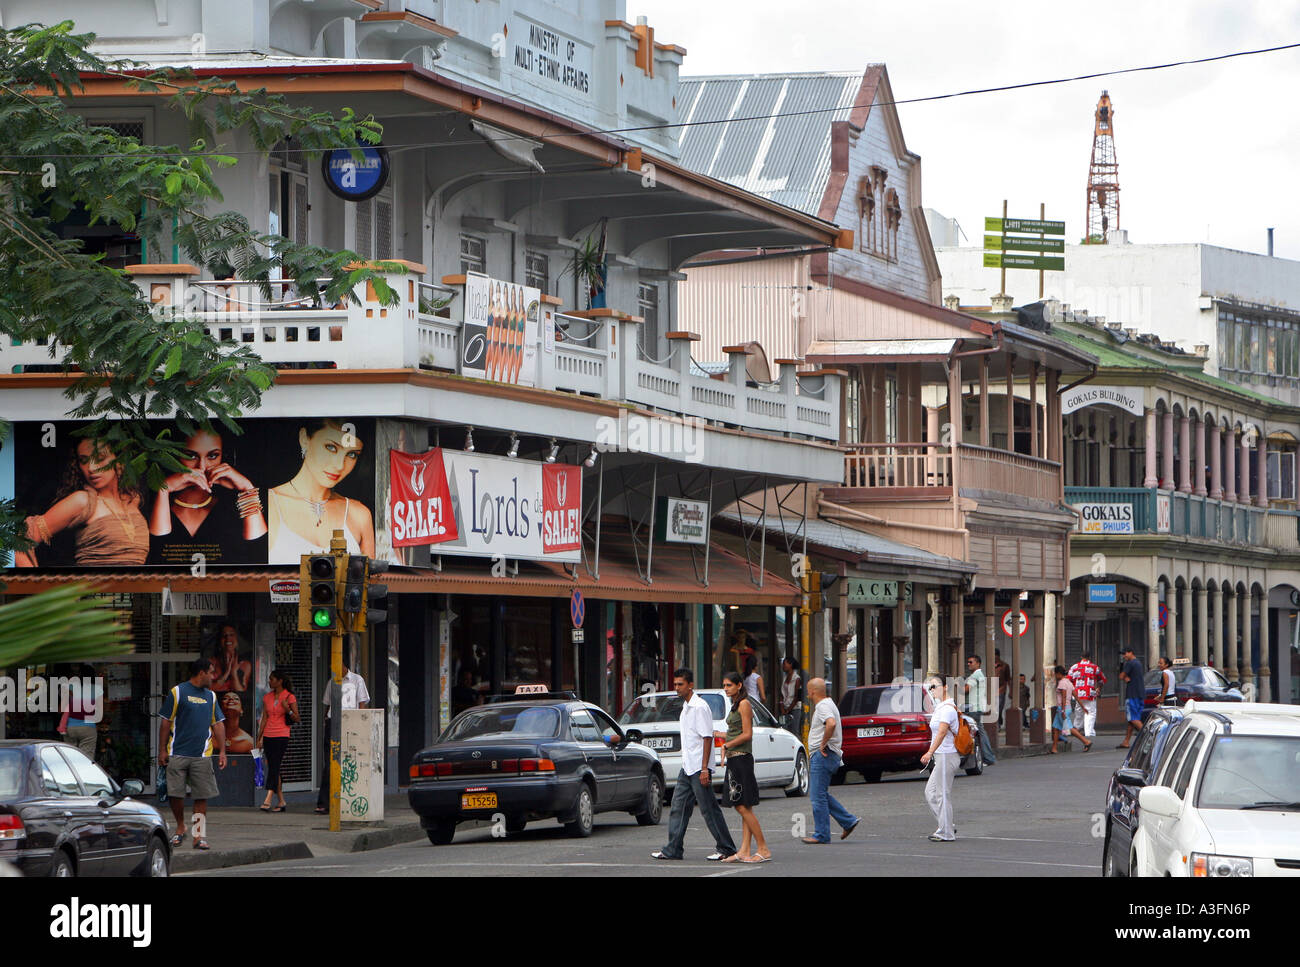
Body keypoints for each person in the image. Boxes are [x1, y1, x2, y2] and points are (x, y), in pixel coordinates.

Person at [15, 437, 148, 566]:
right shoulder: (82, 500)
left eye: (100, 458)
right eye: (84, 460)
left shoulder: (133, 499)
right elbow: (16, 542)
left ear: (118, 459)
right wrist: (35, 585)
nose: (91, 468)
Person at [651, 668, 738, 862]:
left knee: (708, 809)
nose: (677, 688)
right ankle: (673, 849)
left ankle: (727, 848)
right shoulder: (686, 707)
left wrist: (705, 769)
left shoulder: (699, 706)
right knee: (678, 807)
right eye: (675, 685)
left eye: (680, 684)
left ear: (691, 685)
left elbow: (707, 738)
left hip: (699, 767)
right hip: (687, 766)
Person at [148, 427, 267, 565]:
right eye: (191, 456)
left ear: (223, 456)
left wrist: (247, 488)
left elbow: (259, 553)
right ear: (174, 455)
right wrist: (163, 489)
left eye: (212, 456)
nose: (202, 466)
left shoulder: (233, 505)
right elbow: (157, 557)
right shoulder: (149, 501)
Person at [267, 419, 375, 563]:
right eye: (331, 447)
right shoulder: (270, 503)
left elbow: (371, 581)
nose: (339, 465)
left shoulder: (359, 515)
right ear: (304, 438)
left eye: (351, 454)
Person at [158, 657, 227, 851]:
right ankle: (180, 827)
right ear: (201, 673)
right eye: (211, 672)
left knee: (201, 796)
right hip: (177, 752)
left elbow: (218, 724)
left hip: (202, 755)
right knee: (175, 794)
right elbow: (165, 722)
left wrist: (222, 751)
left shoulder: (211, 696)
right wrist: (162, 749)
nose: (213, 677)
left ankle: (199, 836)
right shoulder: (177, 692)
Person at [718, 671, 770, 863]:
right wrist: (720, 735)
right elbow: (736, 732)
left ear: (739, 685)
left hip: (741, 760)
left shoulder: (745, 704)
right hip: (735, 759)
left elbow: (748, 734)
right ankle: (744, 850)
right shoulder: (735, 705)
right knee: (745, 805)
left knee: (740, 805)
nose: (725, 689)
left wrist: (727, 744)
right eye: (724, 685)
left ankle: (763, 848)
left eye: (729, 685)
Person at [801, 677, 860, 844]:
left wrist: (822, 743)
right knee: (820, 794)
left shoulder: (822, 706)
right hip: (828, 754)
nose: (807, 694)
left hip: (824, 754)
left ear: (812, 691)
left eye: (808, 690)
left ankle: (821, 834)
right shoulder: (829, 703)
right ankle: (848, 821)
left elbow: (831, 723)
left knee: (817, 796)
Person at [316, 658, 370, 814]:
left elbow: (362, 702)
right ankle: (324, 802)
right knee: (330, 763)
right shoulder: (331, 682)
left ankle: (348, 800)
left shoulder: (356, 680)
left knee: (350, 761)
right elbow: (327, 703)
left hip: (351, 722)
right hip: (333, 722)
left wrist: (359, 722)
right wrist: (326, 719)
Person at [920, 675, 959, 842]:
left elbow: (942, 732)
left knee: (942, 794)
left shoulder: (948, 708)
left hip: (947, 754)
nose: (932, 690)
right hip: (941, 756)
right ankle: (946, 824)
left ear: (945, 687)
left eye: (935, 686)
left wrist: (929, 752)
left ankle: (946, 832)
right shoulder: (940, 707)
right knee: (930, 792)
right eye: (931, 687)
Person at [255, 668, 298, 812]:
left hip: (282, 734)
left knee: (275, 765)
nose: (269, 681)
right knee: (274, 766)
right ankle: (281, 801)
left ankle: (268, 797)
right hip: (268, 735)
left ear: (280, 681)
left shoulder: (289, 696)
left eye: (272, 679)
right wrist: (259, 738)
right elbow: (264, 719)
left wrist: (288, 709)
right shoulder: (266, 697)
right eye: (269, 679)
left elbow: (296, 718)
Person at [57, 663, 102, 760]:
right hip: (88, 728)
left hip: (70, 727)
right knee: (86, 759)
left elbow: (60, 710)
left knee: (70, 758)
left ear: (79, 674)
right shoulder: (97, 689)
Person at [1068, 649, 1105, 750]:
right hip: (1090, 694)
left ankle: (1076, 728)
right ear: (1089, 657)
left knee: (1079, 711)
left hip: (1078, 694)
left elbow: (1069, 680)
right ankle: (1089, 733)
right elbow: (1102, 680)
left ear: (1081, 657)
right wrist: (1098, 689)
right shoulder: (1094, 667)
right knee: (1090, 713)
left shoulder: (1074, 667)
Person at [209, 623, 251, 694]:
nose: (228, 638)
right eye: (224, 635)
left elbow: (241, 692)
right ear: (219, 641)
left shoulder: (245, 665)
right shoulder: (211, 663)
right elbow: (207, 690)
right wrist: (226, 674)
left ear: (237, 640)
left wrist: (233, 673)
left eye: (231, 635)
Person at [1117, 647, 1145, 749]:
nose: (1124, 656)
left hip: (1132, 694)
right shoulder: (1138, 663)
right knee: (1132, 720)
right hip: (1139, 693)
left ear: (1130, 652)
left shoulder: (1130, 663)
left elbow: (1121, 676)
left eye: (1125, 654)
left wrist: (1123, 676)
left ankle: (1148, 736)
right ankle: (1126, 741)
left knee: (1133, 719)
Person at [1051, 665, 1075, 754]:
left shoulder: (1062, 683)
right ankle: (1054, 748)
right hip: (1066, 707)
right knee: (1056, 728)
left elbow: (1063, 696)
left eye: (1055, 674)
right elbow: (1075, 695)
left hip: (1062, 708)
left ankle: (1085, 741)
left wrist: (1063, 710)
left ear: (1058, 674)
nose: (1055, 676)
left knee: (1068, 727)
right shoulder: (1069, 682)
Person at [778, 656, 804, 734]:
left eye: (784, 664)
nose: (783, 666)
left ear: (790, 665)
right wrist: (782, 706)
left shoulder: (797, 679)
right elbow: (782, 694)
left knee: (794, 731)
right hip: (785, 708)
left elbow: (796, 697)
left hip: (794, 708)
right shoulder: (785, 677)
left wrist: (788, 710)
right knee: (784, 730)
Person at [994, 650, 1012, 728]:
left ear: (998, 656)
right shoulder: (991, 665)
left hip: (1001, 689)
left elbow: (1008, 679)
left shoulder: (1004, 666)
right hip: (992, 690)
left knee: (999, 707)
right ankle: (998, 722)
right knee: (994, 708)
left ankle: (997, 724)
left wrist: (1010, 690)